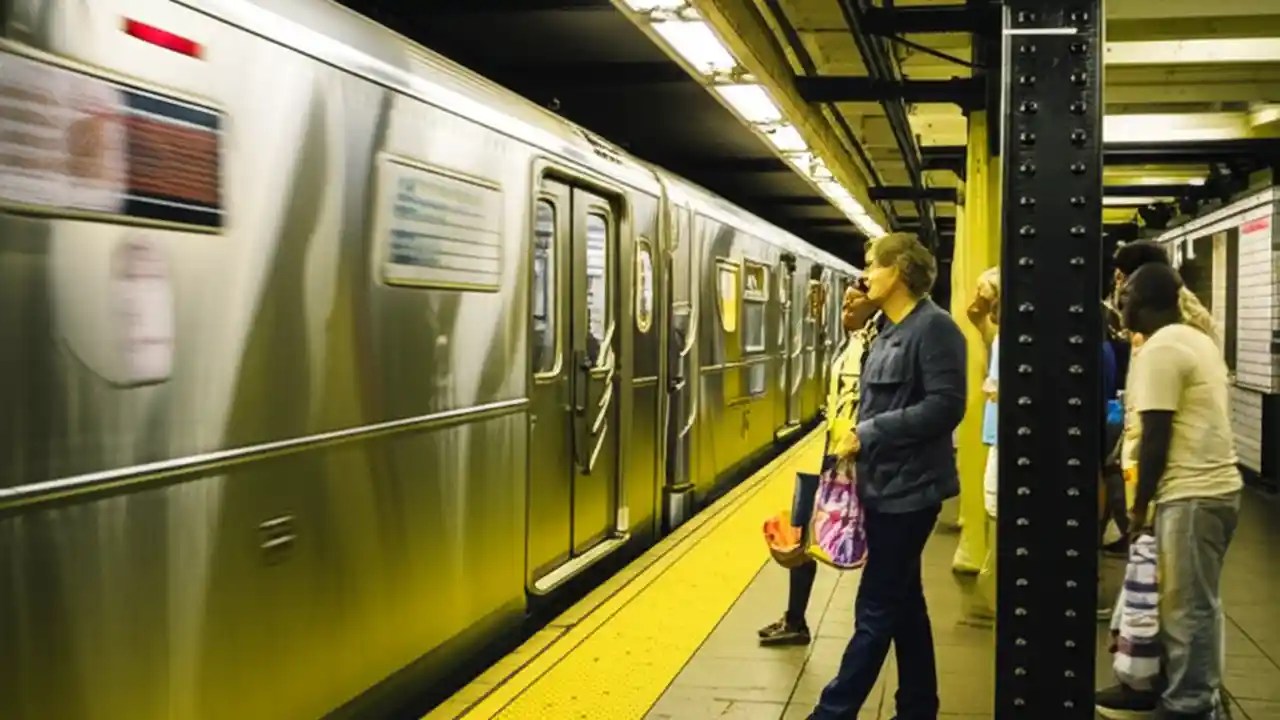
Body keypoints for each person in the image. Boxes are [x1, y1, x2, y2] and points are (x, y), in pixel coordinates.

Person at [809, 233, 967, 720]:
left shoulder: (934, 329)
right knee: (904, 605)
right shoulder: (887, 331)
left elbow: (946, 406)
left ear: (898, 271)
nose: (866, 275)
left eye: (872, 266)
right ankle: (919, 706)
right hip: (882, 487)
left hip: (910, 493)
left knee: (874, 610)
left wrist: (870, 432)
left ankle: (832, 712)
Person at [1095, 263, 1242, 720]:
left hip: (1192, 493)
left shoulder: (1162, 349)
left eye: (1125, 298)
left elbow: (1157, 435)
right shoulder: (1194, 339)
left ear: (1143, 302)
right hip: (1207, 490)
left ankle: (1189, 705)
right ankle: (1153, 683)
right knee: (1170, 600)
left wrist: (1140, 509)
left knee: (1187, 609)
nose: (1120, 305)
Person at [759, 282, 881, 646]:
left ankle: (876, 622)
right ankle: (795, 619)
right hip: (829, 451)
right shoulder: (852, 342)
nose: (846, 306)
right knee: (800, 533)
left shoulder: (877, 345)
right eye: (843, 300)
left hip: (856, 457)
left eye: (854, 300)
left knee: (867, 541)